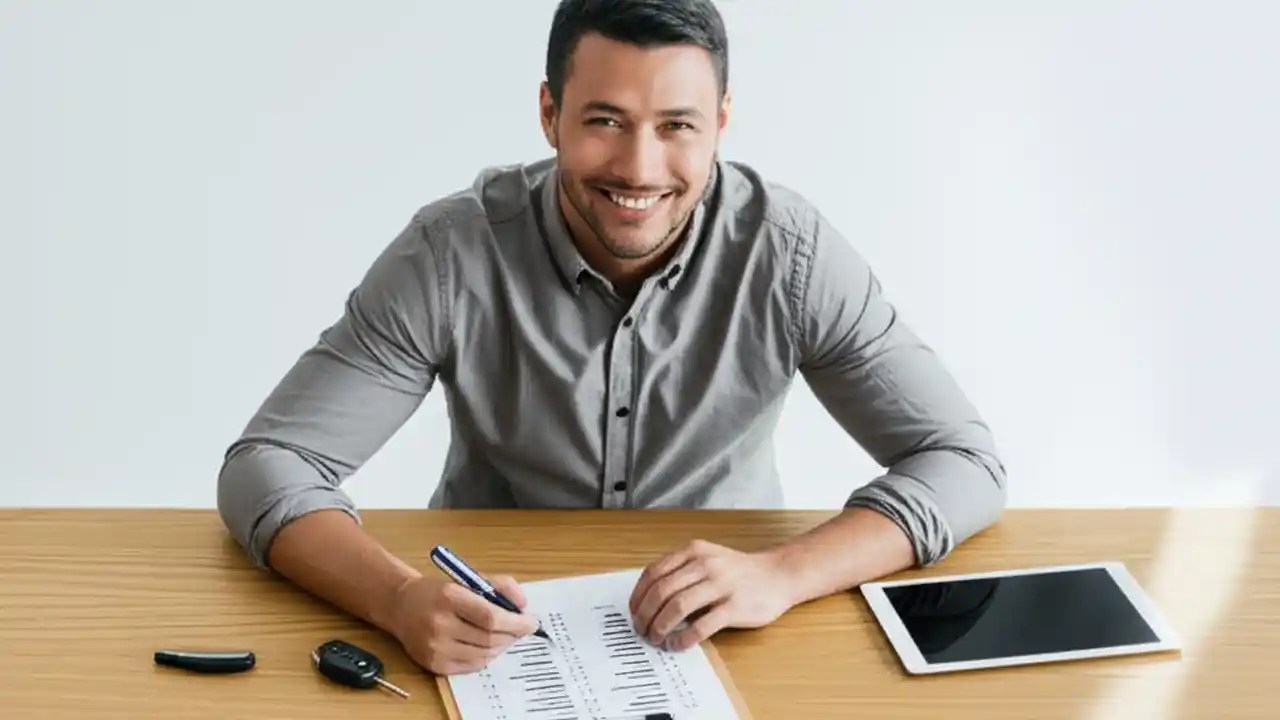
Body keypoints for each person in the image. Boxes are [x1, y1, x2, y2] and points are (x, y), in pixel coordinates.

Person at [217, 0, 1006, 677]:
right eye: (604, 121)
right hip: (487, 638)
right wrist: (394, 598)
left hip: (733, 638)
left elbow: (963, 461)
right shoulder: (452, 252)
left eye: (677, 126)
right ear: (549, 113)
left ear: (721, 122)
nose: (640, 166)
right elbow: (270, 464)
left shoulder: (788, 252)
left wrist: (783, 574)